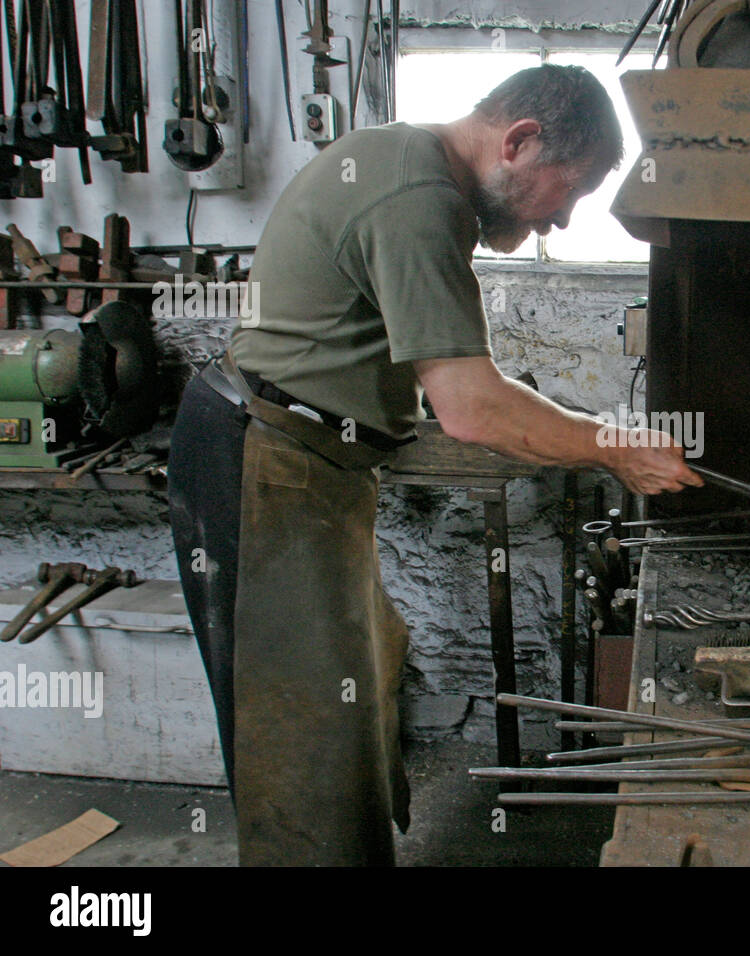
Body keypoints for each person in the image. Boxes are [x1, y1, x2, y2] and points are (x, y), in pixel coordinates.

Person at [167, 64, 702, 866]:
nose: (561, 219)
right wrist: (611, 446)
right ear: (519, 141)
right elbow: (470, 408)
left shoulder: (411, 168)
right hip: (264, 462)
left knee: (355, 702)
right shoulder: (420, 197)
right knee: (305, 738)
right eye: (572, 190)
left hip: (308, 464)